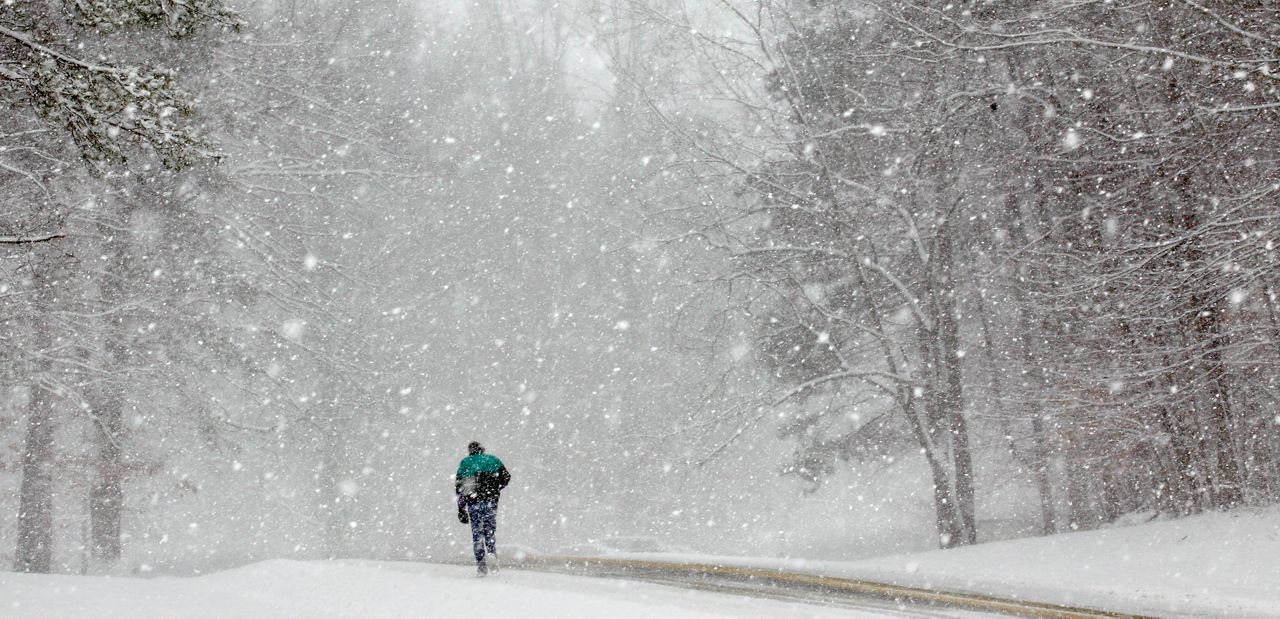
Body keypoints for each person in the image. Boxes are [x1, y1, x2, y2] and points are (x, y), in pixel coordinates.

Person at [455, 441, 510, 576]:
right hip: (490, 501)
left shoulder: (465, 463)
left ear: (470, 451)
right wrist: (496, 489)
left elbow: (460, 488)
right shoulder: (493, 460)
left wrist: (461, 509)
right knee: (489, 530)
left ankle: (481, 566)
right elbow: (506, 477)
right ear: (482, 450)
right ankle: (491, 552)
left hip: (474, 503)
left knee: (477, 533)